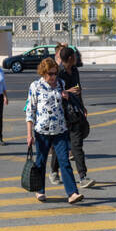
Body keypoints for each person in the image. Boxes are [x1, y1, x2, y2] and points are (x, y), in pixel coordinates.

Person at [25, 58, 83, 204]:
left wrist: (67, 96)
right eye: (50, 74)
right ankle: (40, 190)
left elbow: (64, 102)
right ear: (43, 73)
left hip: (60, 130)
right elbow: (30, 111)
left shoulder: (60, 84)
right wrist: (29, 134)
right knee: (41, 162)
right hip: (42, 131)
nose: (53, 77)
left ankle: (72, 193)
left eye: (55, 73)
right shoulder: (35, 86)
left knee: (64, 161)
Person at [47, 46, 93, 188]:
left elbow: (78, 90)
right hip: (61, 114)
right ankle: (54, 171)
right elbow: (50, 91)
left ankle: (83, 176)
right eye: (74, 56)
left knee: (76, 145)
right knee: (61, 144)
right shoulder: (58, 72)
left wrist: (82, 105)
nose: (76, 58)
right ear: (69, 58)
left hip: (75, 112)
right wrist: (66, 91)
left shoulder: (74, 71)